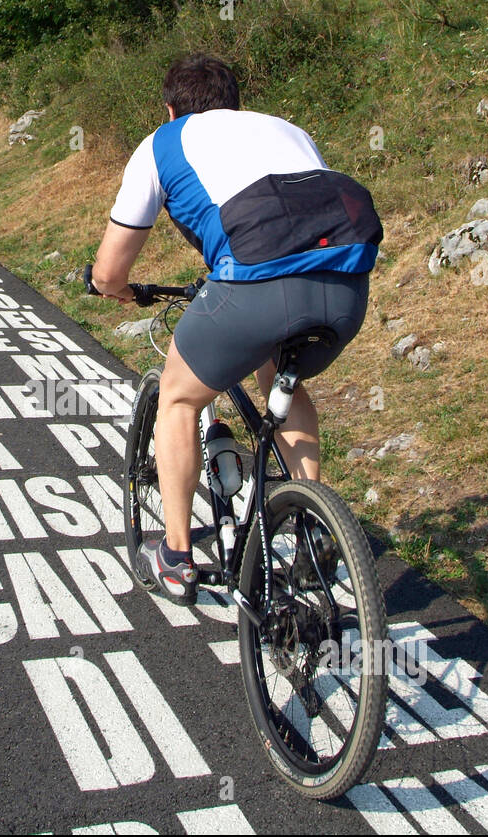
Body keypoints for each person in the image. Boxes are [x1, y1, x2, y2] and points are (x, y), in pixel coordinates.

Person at [90, 53, 382, 603]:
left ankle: (176, 555)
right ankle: (310, 518)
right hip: (346, 287)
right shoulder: (286, 129)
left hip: (254, 285)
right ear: (235, 103)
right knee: (283, 382)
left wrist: (119, 290)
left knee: (178, 397)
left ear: (172, 107)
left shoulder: (162, 142)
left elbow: (109, 271)